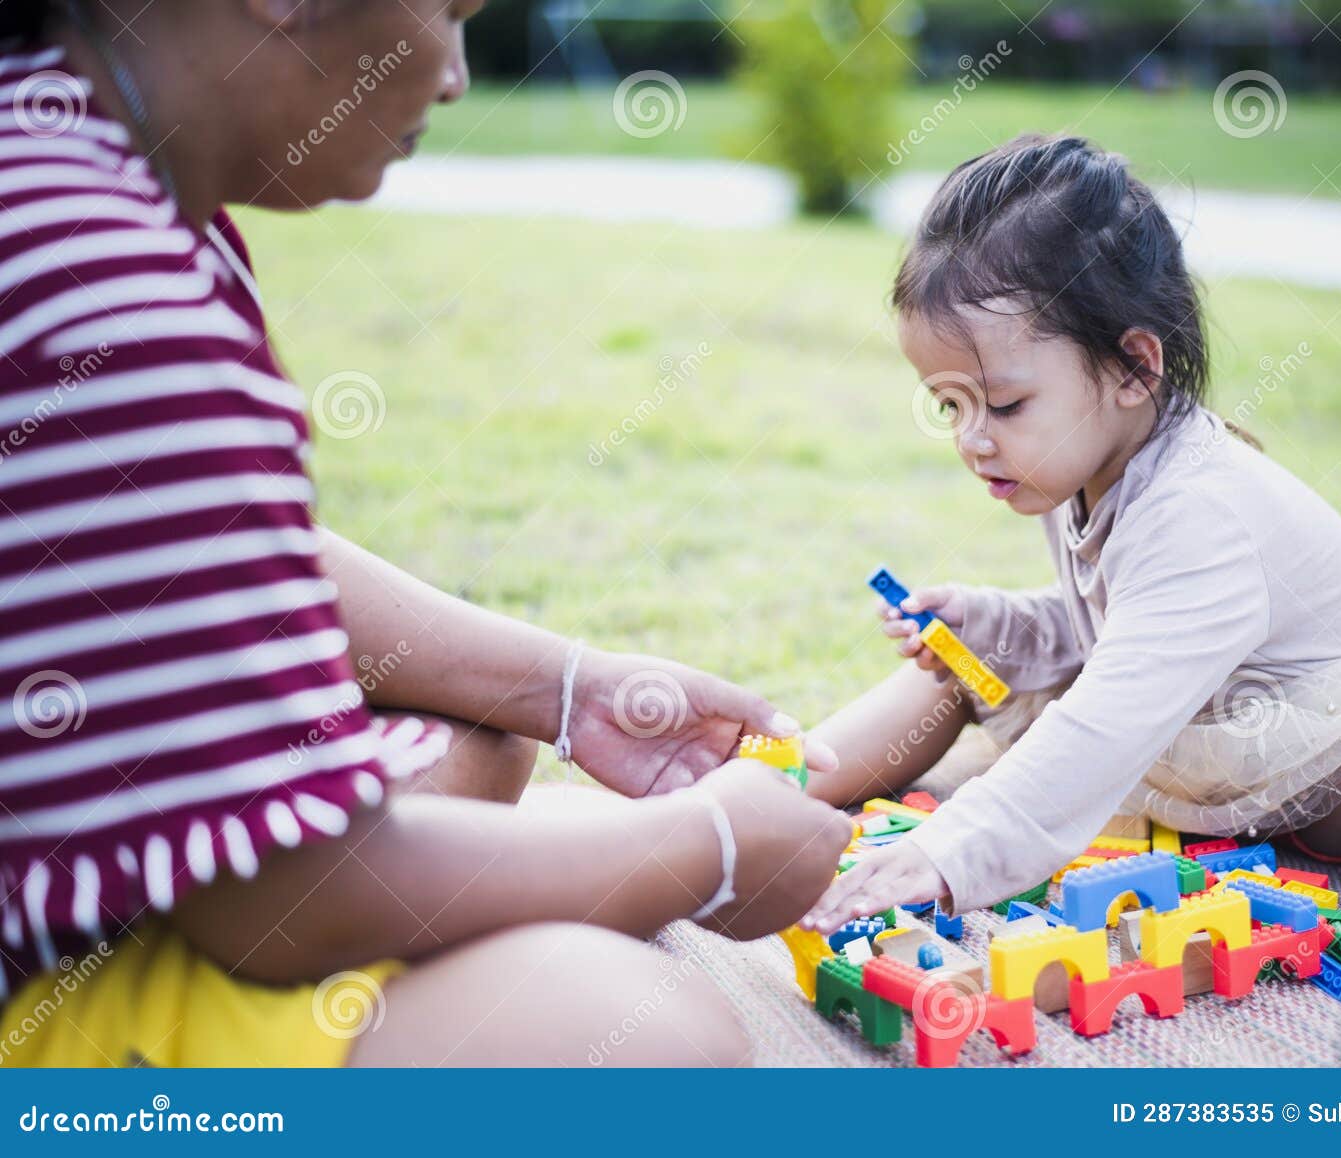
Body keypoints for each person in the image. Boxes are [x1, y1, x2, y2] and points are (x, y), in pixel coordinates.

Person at [0, 0, 850, 1067]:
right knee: (637, 1040)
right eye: (449, 13)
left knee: (478, 735)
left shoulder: (61, 173)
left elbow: (205, 559)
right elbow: (280, 902)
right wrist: (705, 849)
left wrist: (568, 689)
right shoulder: (110, 298)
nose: (453, 75)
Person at [800, 134, 1341, 931]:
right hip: (1201, 748)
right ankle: (775, 790)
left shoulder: (1203, 513)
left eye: (1006, 405)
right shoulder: (1078, 465)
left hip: (1329, 768)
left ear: (1135, 369)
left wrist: (944, 853)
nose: (972, 440)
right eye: (951, 406)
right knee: (965, 661)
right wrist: (1000, 625)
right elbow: (1119, 629)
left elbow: (1108, 717)